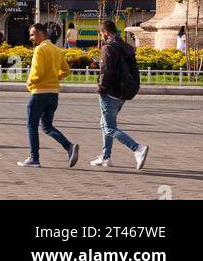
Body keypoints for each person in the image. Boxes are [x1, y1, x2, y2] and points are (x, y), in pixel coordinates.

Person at [19, 22, 78, 168]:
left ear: (40, 33)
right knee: (47, 126)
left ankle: (34, 158)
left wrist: (29, 83)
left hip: (39, 93)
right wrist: (54, 78)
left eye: (32, 35)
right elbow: (66, 70)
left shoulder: (40, 50)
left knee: (32, 125)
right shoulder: (57, 50)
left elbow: (37, 73)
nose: (31, 38)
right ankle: (69, 147)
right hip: (53, 94)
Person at [91, 20, 148, 170]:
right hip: (123, 91)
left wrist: (101, 88)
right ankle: (106, 157)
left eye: (101, 33)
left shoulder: (108, 47)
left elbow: (106, 71)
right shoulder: (125, 46)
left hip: (110, 92)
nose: (101, 36)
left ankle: (137, 148)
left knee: (109, 127)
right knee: (105, 125)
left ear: (106, 32)